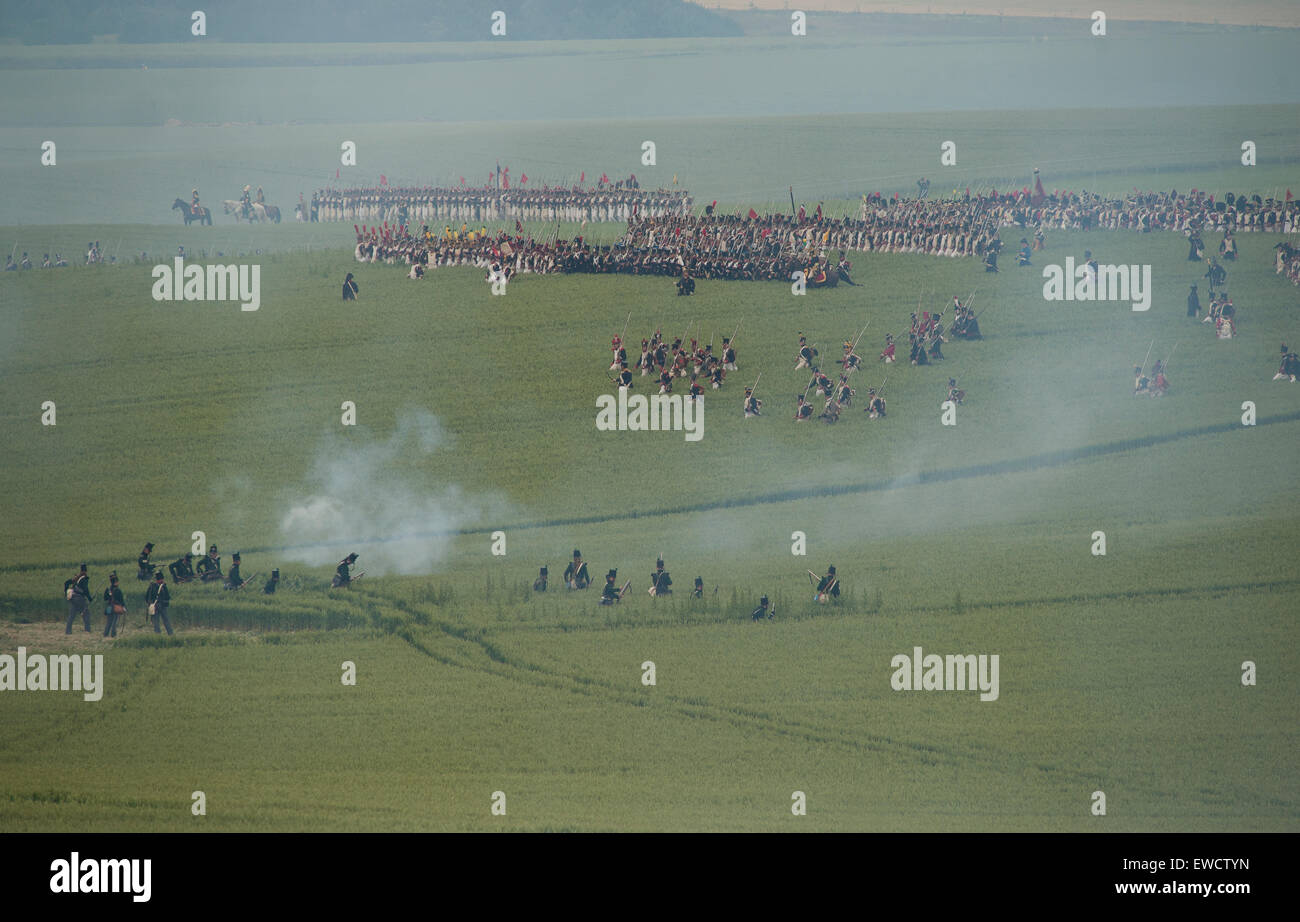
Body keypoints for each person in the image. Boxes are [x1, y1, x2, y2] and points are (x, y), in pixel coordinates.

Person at [64, 563, 92, 634]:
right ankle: (87, 630)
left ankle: (68, 631)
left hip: (73, 598)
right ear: (85, 570)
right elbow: (86, 590)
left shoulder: (77, 577)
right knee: (86, 613)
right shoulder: (84, 578)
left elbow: (66, 583)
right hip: (79, 599)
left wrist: (65, 593)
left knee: (72, 615)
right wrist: (90, 598)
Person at [103, 572, 125, 638]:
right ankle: (113, 635)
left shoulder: (108, 589)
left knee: (108, 622)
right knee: (114, 622)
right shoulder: (118, 590)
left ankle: (105, 634)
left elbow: (105, 598)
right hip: (115, 607)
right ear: (116, 582)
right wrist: (123, 607)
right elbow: (121, 600)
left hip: (109, 607)